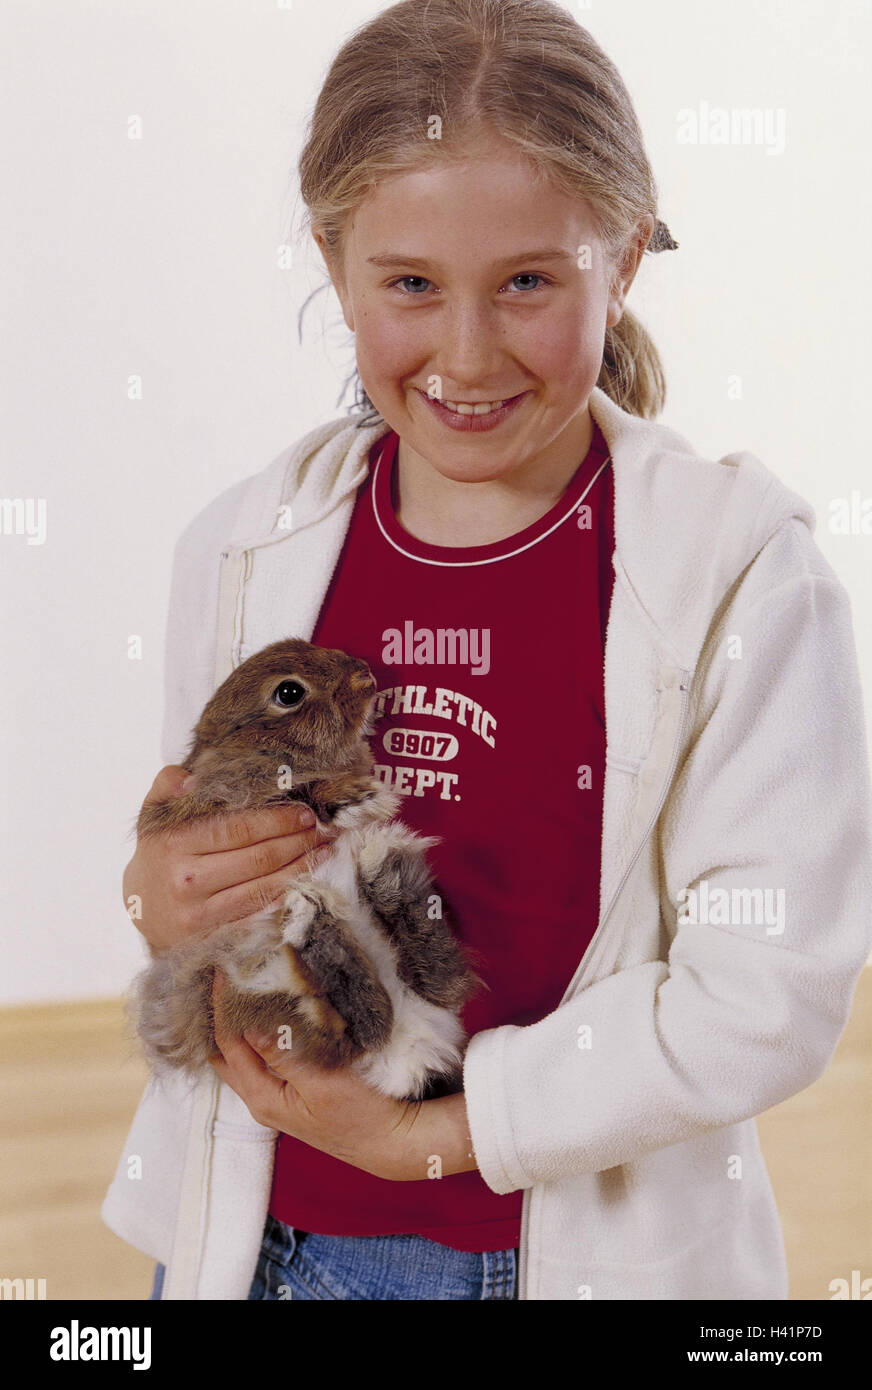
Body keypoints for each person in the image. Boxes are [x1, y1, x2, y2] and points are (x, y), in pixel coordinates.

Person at [103, 0, 872, 1301]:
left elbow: (764, 993)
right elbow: (183, 855)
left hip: (554, 1263)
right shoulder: (239, 548)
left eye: (528, 281)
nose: (465, 355)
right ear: (333, 261)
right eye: (409, 284)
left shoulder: (740, 572)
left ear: (623, 258)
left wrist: (431, 1138)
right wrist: (153, 889)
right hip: (240, 1242)